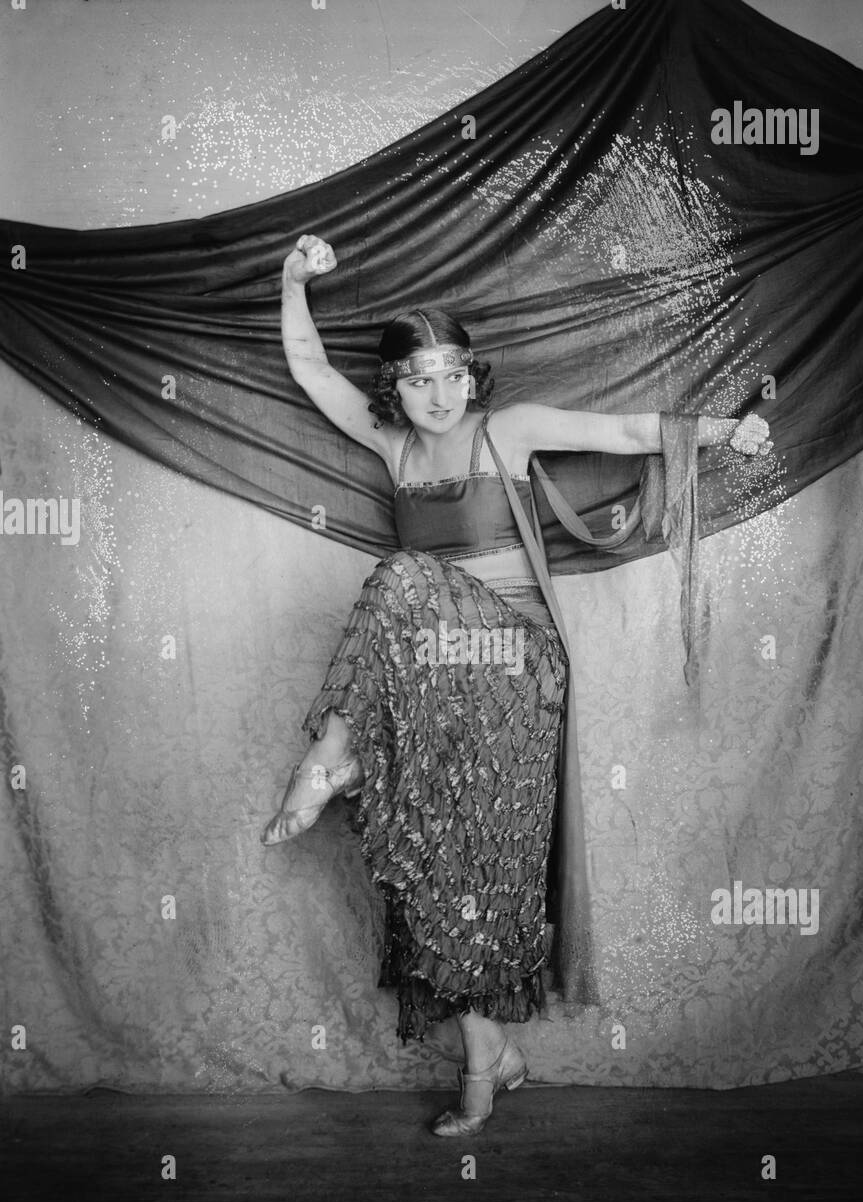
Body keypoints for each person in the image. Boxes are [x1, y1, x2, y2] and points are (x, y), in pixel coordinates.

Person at [262, 233, 772, 1137]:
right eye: (418, 379)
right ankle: (486, 1059)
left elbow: (621, 434)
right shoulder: (390, 446)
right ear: (394, 391)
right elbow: (309, 371)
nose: (440, 394)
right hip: (434, 685)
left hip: (517, 666)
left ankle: (332, 754)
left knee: (396, 576)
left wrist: (725, 431)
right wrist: (294, 281)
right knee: (434, 861)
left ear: (473, 378)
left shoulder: (510, 428)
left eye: (453, 375)